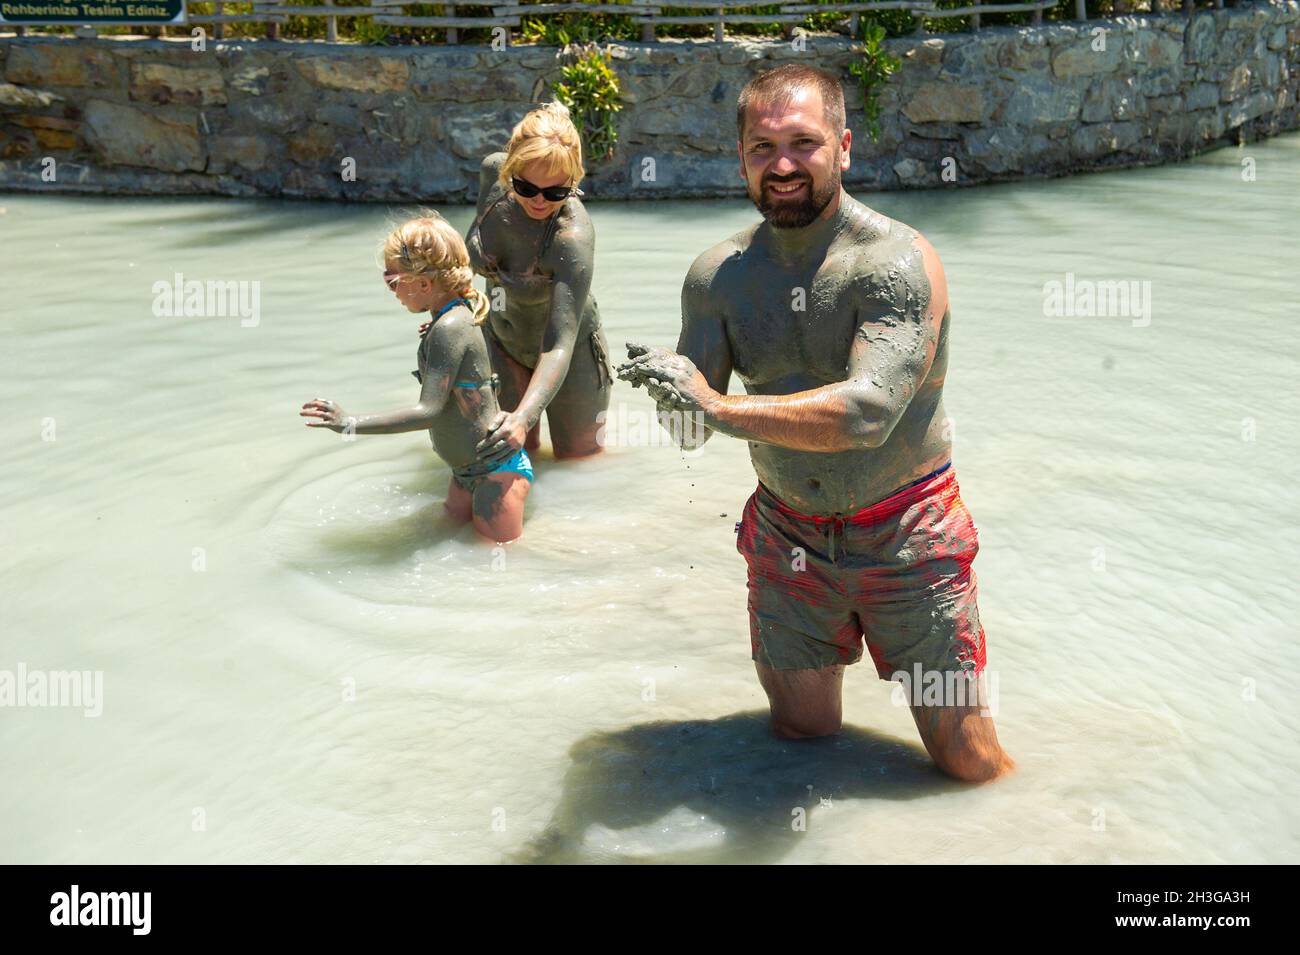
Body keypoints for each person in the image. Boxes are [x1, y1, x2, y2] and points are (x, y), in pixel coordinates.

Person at [617, 64, 1014, 782]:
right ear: (740, 157)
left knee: (968, 763)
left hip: (906, 534)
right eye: (763, 148)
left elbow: (868, 413)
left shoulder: (895, 262)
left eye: (803, 142)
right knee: (802, 739)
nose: (784, 164)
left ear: (844, 146)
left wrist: (715, 405)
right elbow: (694, 431)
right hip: (788, 532)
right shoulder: (719, 277)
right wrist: (675, 391)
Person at [301, 213, 532, 543]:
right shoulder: (449, 320)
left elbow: (429, 411)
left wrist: (349, 422)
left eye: (392, 281)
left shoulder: (451, 327)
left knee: (498, 562)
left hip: (495, 474)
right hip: (467, 472)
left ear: (425, 284)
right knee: (448, 540)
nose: (392, 291)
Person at [455, 101, 614, 464]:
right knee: (511, 457)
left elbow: (560, 342)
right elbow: (470, 248)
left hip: (569, 355)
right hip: (502, 339)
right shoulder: (492, 173)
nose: (539, 201)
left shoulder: (571, 237)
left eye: (556, 193)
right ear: (509, 167)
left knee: (579, 464)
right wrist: (451, 313)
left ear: (574, 182)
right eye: (526, 188)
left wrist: (523, 418)